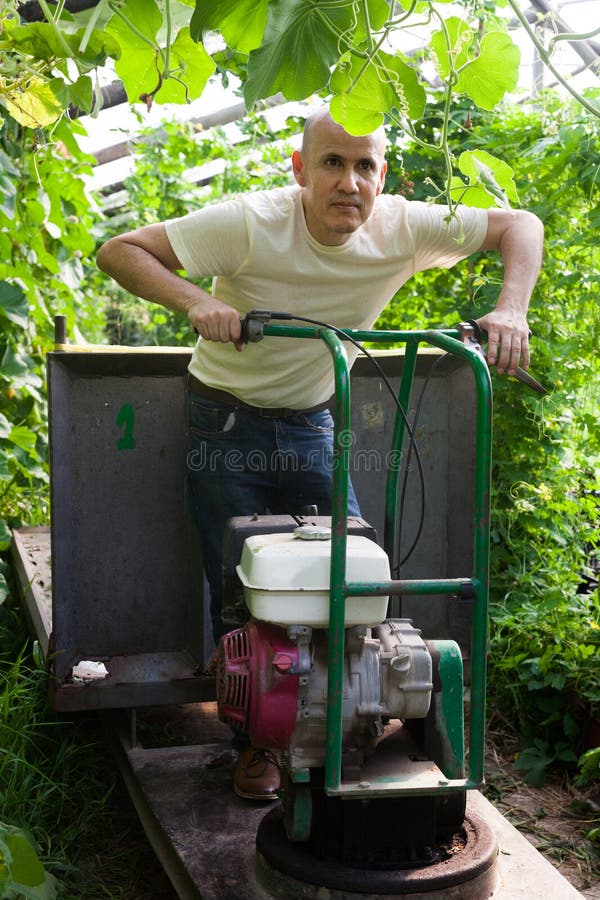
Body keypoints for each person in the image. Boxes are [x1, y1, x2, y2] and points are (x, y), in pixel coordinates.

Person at [96, 106, 544, 800]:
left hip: (313, 418)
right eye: (332, 163)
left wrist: (510, 308)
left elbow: (521, 223)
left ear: (382, 174)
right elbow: (120, 248)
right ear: (300, 170)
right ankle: (254, 745)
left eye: (365, 165)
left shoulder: (402, 225)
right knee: (240, 585)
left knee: (354, 571)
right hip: (225, 420)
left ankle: (349, 715)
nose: (350, 182)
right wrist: (195, 304)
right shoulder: (249, 222)